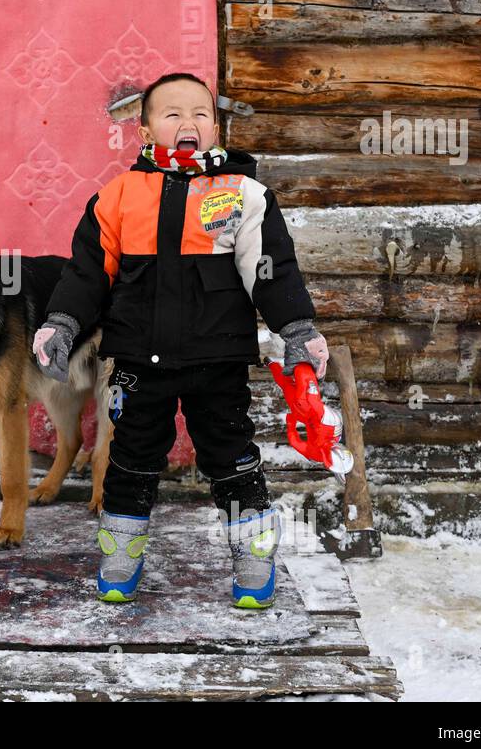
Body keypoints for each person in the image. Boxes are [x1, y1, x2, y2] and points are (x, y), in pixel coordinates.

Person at [31, 72, 328, 608]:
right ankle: (121, 552)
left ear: (215, 127)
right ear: (144, 130)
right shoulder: (117, 197)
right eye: (171, 114)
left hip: (218, 360)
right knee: (131, 458)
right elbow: (86, 273)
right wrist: (63, 322)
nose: (186, 122)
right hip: (138, 362)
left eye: (199, 114)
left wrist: (297, 329)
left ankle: (253, 553)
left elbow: (272, 270)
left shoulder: (243, 194)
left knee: (232, 458)